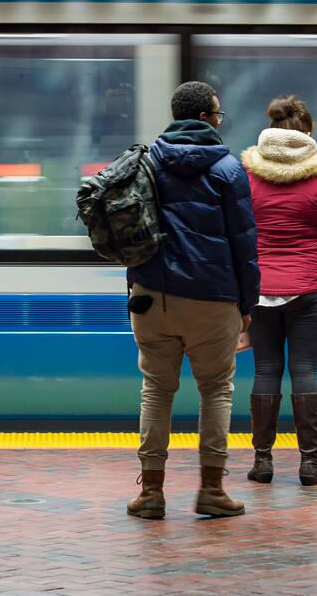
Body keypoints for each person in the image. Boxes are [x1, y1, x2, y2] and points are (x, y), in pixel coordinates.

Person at [125, 81, 259, 520]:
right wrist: (248, 305)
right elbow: (244, 243)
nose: (220, 121)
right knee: (216, 390)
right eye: (218, 114)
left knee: (156, 391)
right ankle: (212, 490)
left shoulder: (146, 161)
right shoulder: (229, 169)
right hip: (213, 297)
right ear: (205, 117)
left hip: (151, 295)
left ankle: (151, 494)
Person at [239, 96, 317, 486]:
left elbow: (235, 229)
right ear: (307, 133)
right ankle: (309, 464)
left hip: (260, 287)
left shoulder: (248, 176)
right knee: (304, 370)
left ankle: (262, 462)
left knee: (265, 369)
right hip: (308, 286)